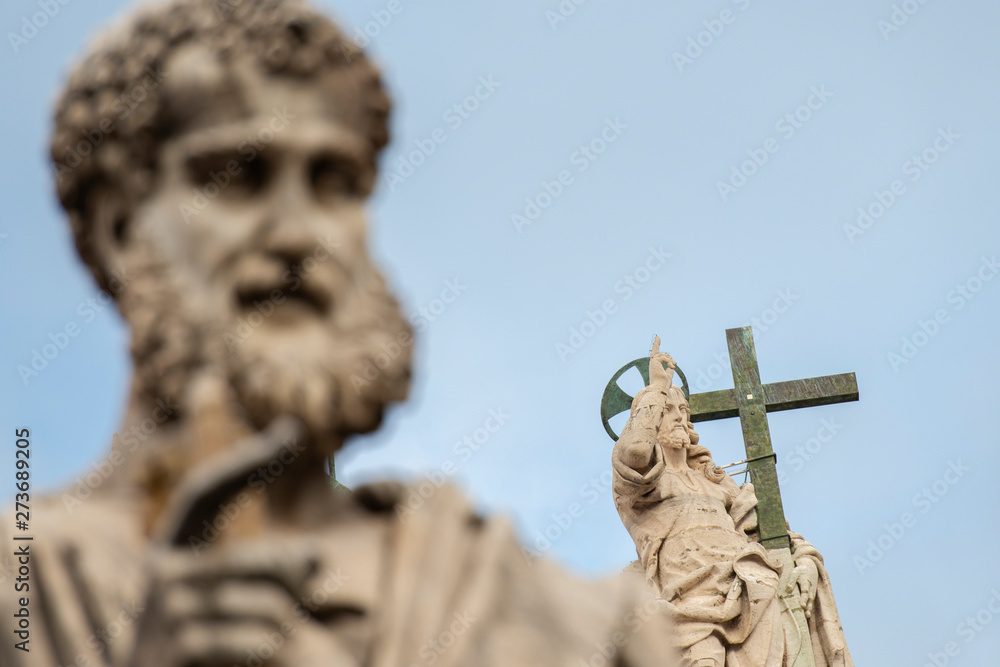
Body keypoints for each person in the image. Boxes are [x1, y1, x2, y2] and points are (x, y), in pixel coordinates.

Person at [0, 2, 676, 665]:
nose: (297, 234)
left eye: (334, 184)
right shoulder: (25, 588)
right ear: (120, 227)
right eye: (239, 178)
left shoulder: (564, 621)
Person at [612, 337, 853, 667]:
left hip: (751, 585)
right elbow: (636, 451)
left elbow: (769, 530)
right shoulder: (640, 485)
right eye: (667, 411)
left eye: (683, 410)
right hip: (688, 603)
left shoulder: (716, 482)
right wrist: (656, 389)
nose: (679, 417)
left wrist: (806, 559)